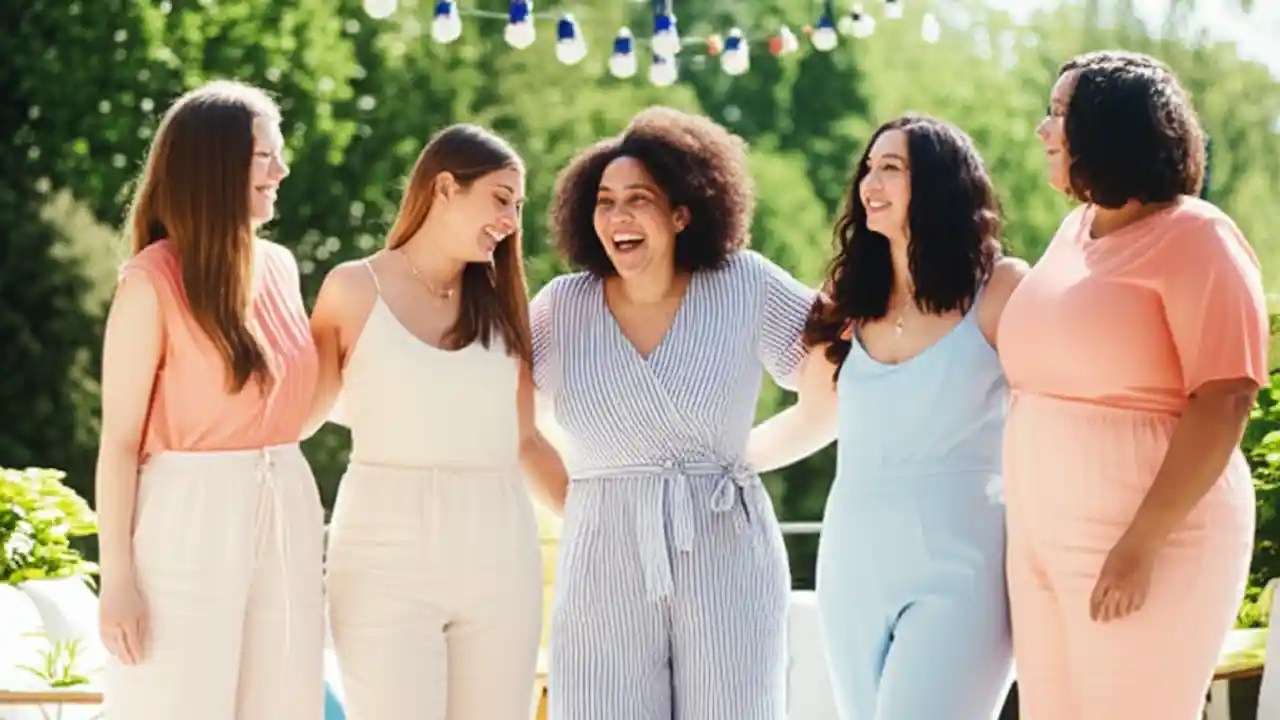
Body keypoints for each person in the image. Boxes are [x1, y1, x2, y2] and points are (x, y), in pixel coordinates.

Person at [999, 50, 1268, 719]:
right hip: (1041, 542)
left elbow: (1227, 396)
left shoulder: (1199, 236)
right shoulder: (1073, 231)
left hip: (1149, 541)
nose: (1042, 130)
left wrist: (1140, 544)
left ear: (1109, 130)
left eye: (1059, 113)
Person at [530, 106, 819, 720]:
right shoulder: (562, 307)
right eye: (605, 201)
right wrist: (578, 502)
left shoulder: (747, 284)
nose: (618, 216)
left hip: (726, 542)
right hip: (602, 551)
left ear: (682, 213)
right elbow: (504, 417)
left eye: (639, 199)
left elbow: (846, 374)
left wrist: (744, 460)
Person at [748, 115, 1027, 719]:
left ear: (939, 185)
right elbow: (812, 419)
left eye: (892, 169)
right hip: (853, 561)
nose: (870, 183)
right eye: (868, 169)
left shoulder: (1001, 288)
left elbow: (1048, 418)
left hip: (964, 561)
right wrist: (722, 463)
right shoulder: (849, 300)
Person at [308, 123, 567, 720]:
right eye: (501, 198)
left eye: (518, 207)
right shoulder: (352, 288)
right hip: (382, 551)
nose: (510, 220)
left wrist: (600, 517)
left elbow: (525, 441)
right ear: (445, 186)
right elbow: (302, 415)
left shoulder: (505, 307)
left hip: (500, 553)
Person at [95, 80, 323, 719]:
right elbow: (117, 444)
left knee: (282, 703)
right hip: (187, 518)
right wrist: (117, 581)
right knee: (176, 702)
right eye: (264, 157)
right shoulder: (151, 281)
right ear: (215, 165)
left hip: (285, 507)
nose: (281, 170)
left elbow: (297, 405)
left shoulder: (280, 265)